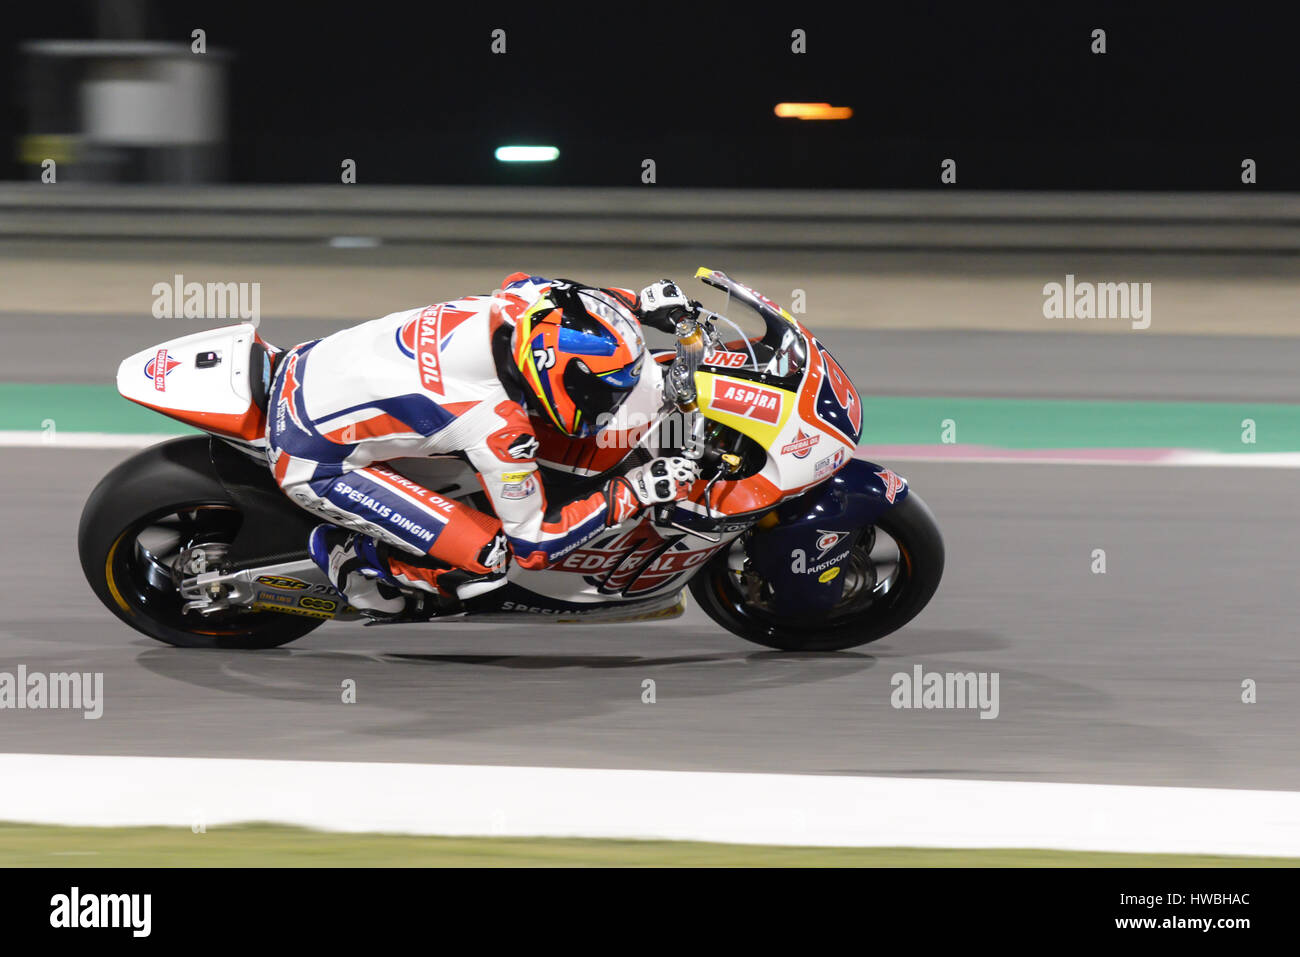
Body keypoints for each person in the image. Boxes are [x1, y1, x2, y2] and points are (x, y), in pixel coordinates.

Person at [264, 273, 701, 618]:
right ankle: (351, 555)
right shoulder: (496, 426)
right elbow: (534, 544)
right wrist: (636, 490)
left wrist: (642, 305)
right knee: (491, 559)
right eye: (601, 392)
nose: (611, 403)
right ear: (558, 379)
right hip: (313, 458)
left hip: (308, 363)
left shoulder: (524, 301)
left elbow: (576, 297)